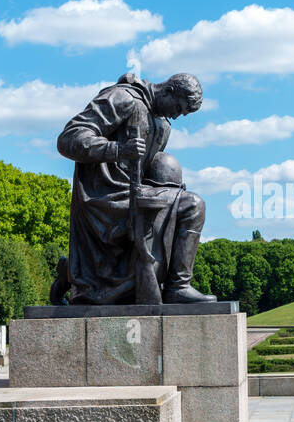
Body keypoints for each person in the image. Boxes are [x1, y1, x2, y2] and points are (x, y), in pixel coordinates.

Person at [56, 72, 215, 305]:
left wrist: (172, 187)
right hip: (103, 199)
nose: (178, 116)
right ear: (169, 90)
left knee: (189, 203)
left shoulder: (162, 126)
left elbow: (146, 170)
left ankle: (178, 286)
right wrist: (118, 149)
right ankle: (74, 272)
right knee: (192, 204)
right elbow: (69, 139)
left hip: (134, 195)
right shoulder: (123, 98)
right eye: (179, 108)